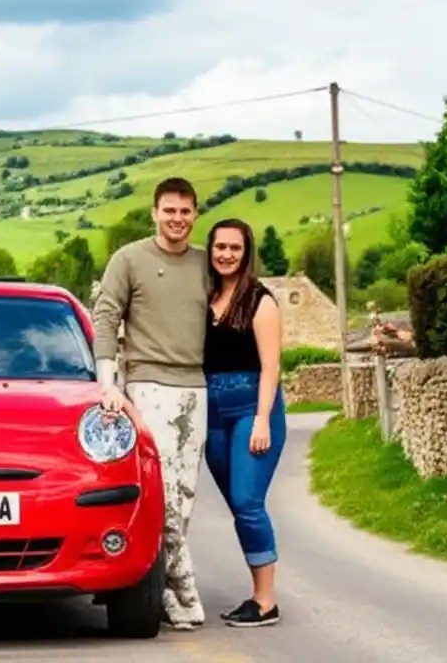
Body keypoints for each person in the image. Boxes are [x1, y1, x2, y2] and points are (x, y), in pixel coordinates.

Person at [92, 177, 211, 630]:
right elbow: (105, 318)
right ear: (154, 213)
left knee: (184, 495)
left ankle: (160, 584)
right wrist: (109, 383)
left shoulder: (205, 264)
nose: (177, 219)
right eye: (169, 211)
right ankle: (186, 590)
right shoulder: (129, 260)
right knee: (161, 495)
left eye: (185, 211)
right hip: (146, 385)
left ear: (195, 214)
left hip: (195, 388)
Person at [201, 218, 286, 628]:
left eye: (235, 248)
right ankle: (256, 594)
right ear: (211, 249)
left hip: (252, 410)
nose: (226, 254)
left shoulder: (260, 300)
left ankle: (266, 600)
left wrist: (262, 421)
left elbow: (271, 367)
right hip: (212, 415)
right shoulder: (205, 297)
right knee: (238, 505)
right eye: (220, 247)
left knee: (248, 501)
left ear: (246, 251)